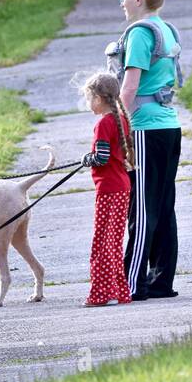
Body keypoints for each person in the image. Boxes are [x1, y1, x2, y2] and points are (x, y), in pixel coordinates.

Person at [108, 0, 181, 300]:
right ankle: (161, 281)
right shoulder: (167, 30)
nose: (121, 4)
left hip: (144, 129)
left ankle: (132, 284)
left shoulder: (139, 33)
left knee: (142, 208)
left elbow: (130, 86)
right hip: (170, 126)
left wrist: (114, 127)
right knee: (163, 205)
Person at [78, 72, 135, 308]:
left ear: (100, 98)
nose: (88, 104)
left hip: (109, 190)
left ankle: (101, 295)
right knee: (113, 242)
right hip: (121, 187)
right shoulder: (120, 119)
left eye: (89, 98)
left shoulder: (103, 123)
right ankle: (119, 292)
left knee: (102, 244)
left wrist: (86, 159)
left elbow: (101, 158)